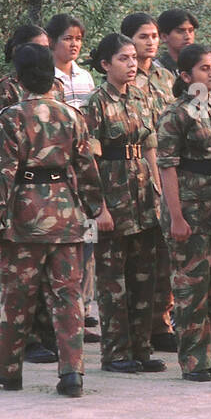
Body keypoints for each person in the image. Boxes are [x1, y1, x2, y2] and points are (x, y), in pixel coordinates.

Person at [0, 43, 103, 397]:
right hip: (66, 215)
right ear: (52, 75)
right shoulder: (72, 116)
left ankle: (8, 370)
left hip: (25, 217)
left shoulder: (10, 117)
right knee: (68, 297)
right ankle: (71, 374)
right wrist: (93, 208)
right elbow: (88, 172)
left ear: (18, 78)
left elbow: (2, 175)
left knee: (18, 297)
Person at [157, 45, 211, 382]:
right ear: (185, 76)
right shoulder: (175, 115)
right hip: (191, 208)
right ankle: (194, 360)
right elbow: (167, 168)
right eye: (203, 69)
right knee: (192, 285)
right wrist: (176, 216)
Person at [82, 33, 167, 375]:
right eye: (123, 59)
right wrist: (99, 207)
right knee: (113, 281)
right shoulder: (95, 104)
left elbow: (150, 147)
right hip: (113, 199)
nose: (132, 64)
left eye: (134, 58)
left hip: (143, 196)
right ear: (105, 65)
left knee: (144, 276)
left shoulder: (142, 97)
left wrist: (159, 192)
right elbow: (88, 160)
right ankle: (116, 353)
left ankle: (141, 349)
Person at [0, 23, 60, 365]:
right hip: (21, 187)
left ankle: (49, 336)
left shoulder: (54, 87)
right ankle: (25, 341)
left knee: (51, 275)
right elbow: (1, 151)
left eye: (46, 46)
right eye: (35, 46)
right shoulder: (5, 90)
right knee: (22, 278)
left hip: (55, 194)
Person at [122, 11, 178, 353]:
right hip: (135, 169)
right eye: (144, 36)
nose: (151, 42)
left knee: (164, 251)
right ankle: (136, 326)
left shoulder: (164, 76)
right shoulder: (124, 75)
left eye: (155, 36)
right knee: (137, 256)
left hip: (166, 167)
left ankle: (162, 322)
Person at [45, 13, 100, 344]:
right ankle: (56, 314)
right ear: (53, 42)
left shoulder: (87, 78)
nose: (74, 44)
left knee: (87, 242)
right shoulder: (45, 77)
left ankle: (82, 310)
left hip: (85, 166)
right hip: (56, 170)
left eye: (78, 38)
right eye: (68, 38)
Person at [156, 8, 198, 76]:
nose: (188, 37)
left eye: (191, 31)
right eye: (180, 31)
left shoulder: (200, 66)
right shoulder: (157, 70)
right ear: (164, 37)